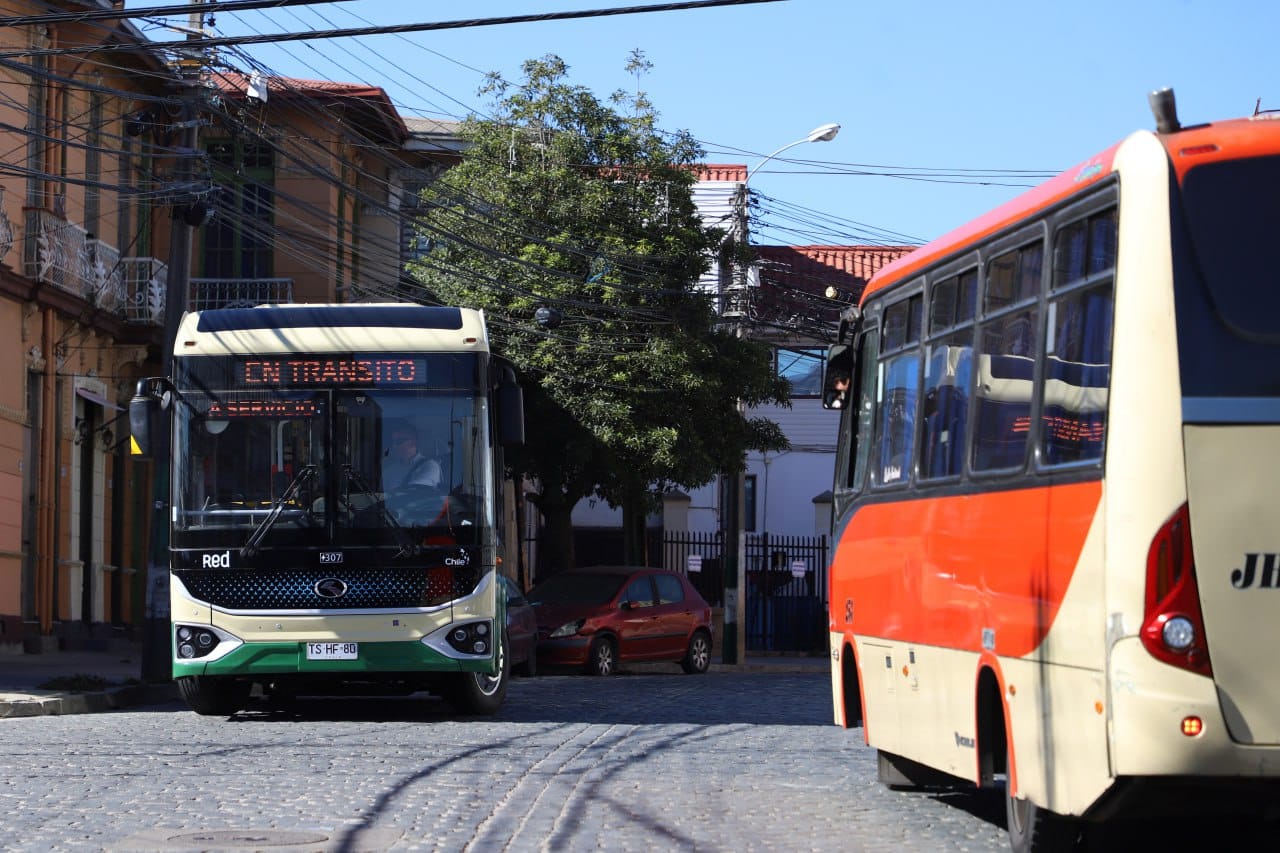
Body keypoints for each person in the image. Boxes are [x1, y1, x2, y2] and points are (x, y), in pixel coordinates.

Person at [382, 422, 442, 490]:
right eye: (393, 442)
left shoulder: (430, 466)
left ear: (413, 442)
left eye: (399, 441)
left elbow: (416, 491)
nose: (394, 446)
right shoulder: (390, 470)